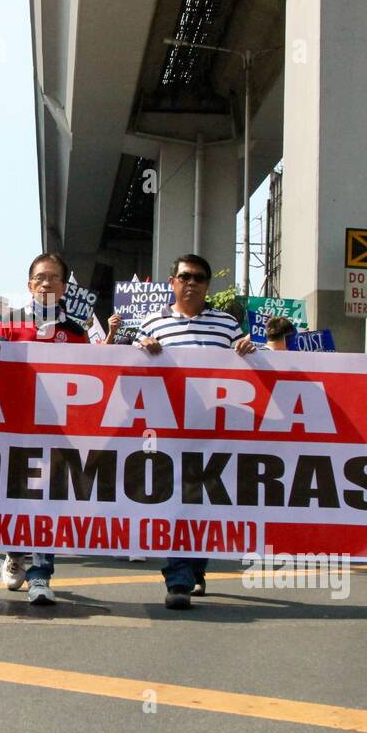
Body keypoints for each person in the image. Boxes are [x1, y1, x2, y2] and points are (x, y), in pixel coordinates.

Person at [137, 254, 256, 610]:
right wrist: (142, 350)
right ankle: (178, 578)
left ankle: (195, 567)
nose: (192, 283)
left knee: (203, 501)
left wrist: (249, 350)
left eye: (200, 278)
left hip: (214, 431)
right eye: (185, 276)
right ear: (172, 282)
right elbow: (126, 369)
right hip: (169, 430)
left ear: (207, 285)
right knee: (175, 500)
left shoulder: (226, 324)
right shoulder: (152, 322)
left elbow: (256, 362)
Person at [0, 251, 89, 605]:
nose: (46, 283)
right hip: (14, 430)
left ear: (64, 287)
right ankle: (13, 552)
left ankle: (41, 575)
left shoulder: (77, 332)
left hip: (57, 432)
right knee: (15, 495)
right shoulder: (10, 324)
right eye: (40, 277)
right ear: (29, 284)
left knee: (48, 500)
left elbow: (91, 379)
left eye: (54, 278)